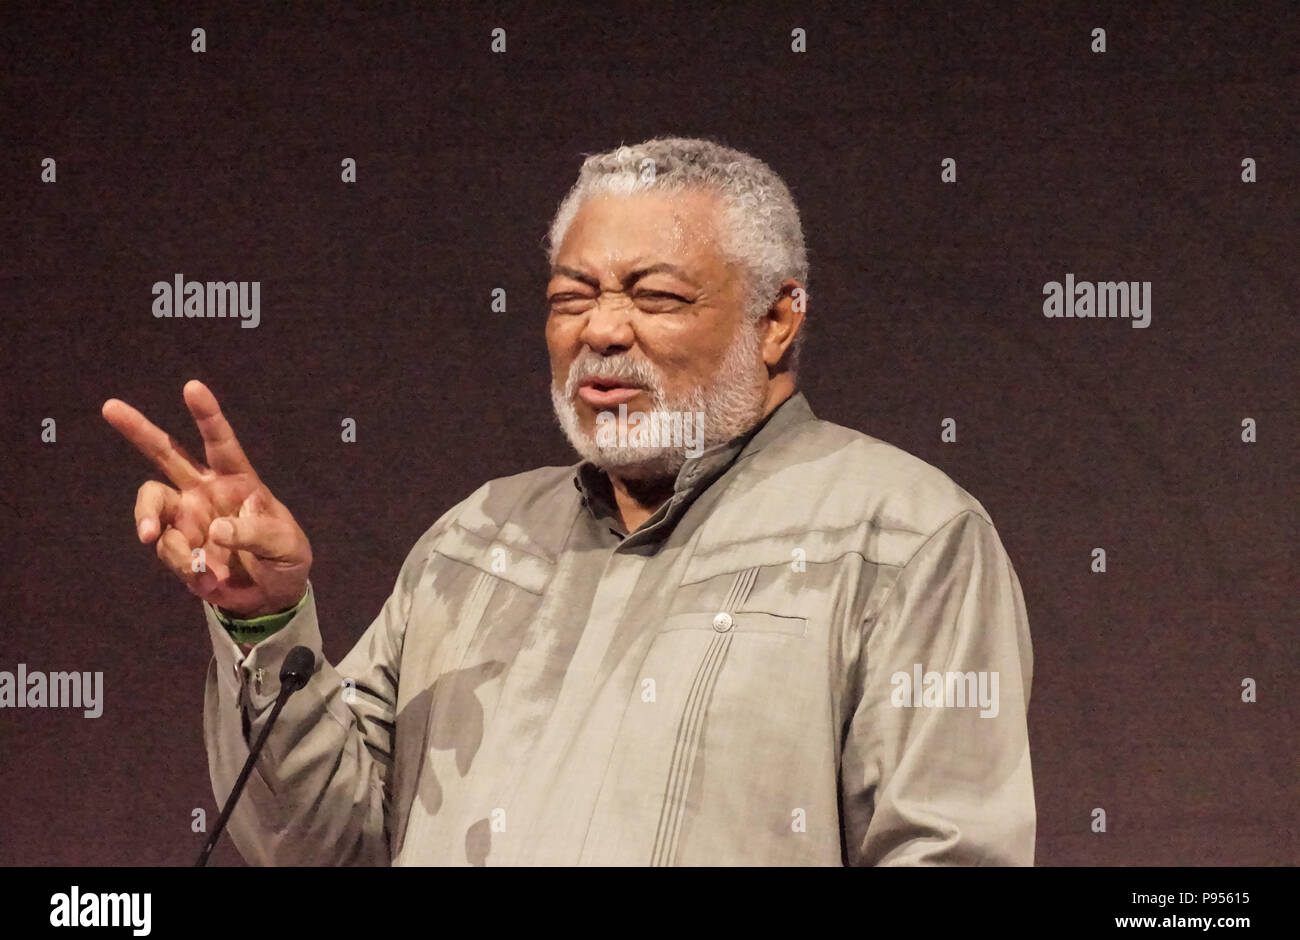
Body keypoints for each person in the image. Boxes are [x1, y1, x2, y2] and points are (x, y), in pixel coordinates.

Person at [102, 136, 1035, 866]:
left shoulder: (904, 539)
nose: (602, 329)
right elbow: (315, 844)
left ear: (778, 318)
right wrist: (268, 624)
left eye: (655, 295)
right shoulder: (476, 541)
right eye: (570, 296)